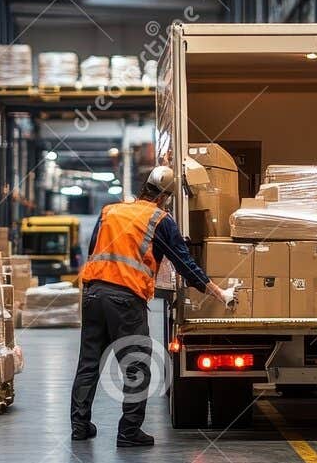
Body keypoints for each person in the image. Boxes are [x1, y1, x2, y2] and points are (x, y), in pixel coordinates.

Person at [69, 165, 237, 447]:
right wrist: (219, 293)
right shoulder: (160, 219)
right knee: (136, 367)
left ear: (145, 188)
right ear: (164, 198)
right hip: (125, 299)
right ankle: (128, 432)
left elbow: (94, 252)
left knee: (88, 363)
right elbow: (185, 265)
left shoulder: (110, 211)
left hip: (93, 294)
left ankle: (79, 426)